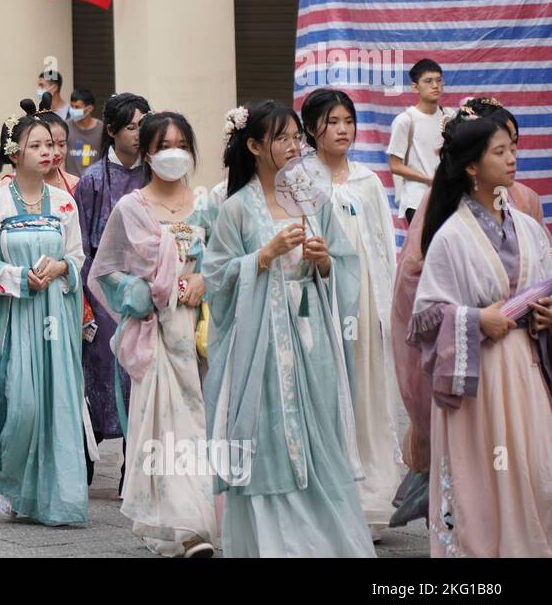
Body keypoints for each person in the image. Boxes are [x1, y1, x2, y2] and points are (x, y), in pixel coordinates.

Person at [202, 101, 374, 558]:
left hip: (311, 333)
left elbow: (344, 260)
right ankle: (276, 543)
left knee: (319, 431)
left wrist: (323, 262)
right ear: (255, 145)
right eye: (282, 138)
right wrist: (262, 255)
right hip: (261, 345)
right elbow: (215, 278)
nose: (294, 146)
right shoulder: (235, 209)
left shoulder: (310, 198)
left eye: (297, 136)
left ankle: (326, 540)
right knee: (270, 434)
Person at [388, 100, 547, 526]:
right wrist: (477, 320)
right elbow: (426, 314)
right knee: (483, 479)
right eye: (499, 151)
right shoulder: (451, 234)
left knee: (535, 471)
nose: (512, 158)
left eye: (513, 147)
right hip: (478, 373)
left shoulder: (530, 226)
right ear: (472, 167)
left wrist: (546, 314)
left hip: (527, 370)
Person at [89, 112, 217, 556]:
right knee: (165, 426)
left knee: (202, 423)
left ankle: (200, 517)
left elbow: (225, 260)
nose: (174, 153)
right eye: (164, 145)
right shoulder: (132, 208)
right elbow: (105, 272)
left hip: (201, 332)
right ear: (146, 152)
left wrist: (205, 281)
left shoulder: (206, 204)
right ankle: (185, 528)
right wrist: (144, 293)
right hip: (157, 335)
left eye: (182, 143)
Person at [0, 111, 88, 526]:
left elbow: (77, 257)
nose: (48, 153)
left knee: (57, 405)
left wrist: (59, 270)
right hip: (14, 317)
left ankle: (55, 496)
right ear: (14, 152)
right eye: (36, 145)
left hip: (55, 315)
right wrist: (20, 278)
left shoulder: (65, 203)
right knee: (22, 405)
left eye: (52, 145)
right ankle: (14, 480)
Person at [300, 88, 403, 533]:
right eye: (332, 122)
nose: (343, 130)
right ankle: (329, 494)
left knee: (367, 391)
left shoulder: (367, 181)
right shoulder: (299, 180)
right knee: (327, 390)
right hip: (320, 302)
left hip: (364, 303)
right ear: (310, 129)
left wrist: (389, 306)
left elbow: (385, 248)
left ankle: (373, 497)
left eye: (348, 121)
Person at [75, 92, 149, 471]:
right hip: (102, 292)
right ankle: (89, 446)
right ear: (113, 130)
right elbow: (81, 242)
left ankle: (129, 466)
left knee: (140, 376)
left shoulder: (153, 176)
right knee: (101, 373)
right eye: (132, 126)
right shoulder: (91, 180)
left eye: (143, 125)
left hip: (145, 288)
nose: (139, 133)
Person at [388, 59, 448, 223]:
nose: (435, 85)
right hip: (416, 200)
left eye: (438, 80)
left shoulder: (449, 116)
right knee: (423, 247)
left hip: (445, 197)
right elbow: (395, 165)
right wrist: (429, 180)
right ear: (415, 87)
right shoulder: (406, 120)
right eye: (428, 81)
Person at [63, 89, 105, 176]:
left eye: (77, 107)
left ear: (89, 108)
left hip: (94, 182)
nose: (73, 110)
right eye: (72, 106)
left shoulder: (101, 128)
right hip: (71, 183)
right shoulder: (65, 126)